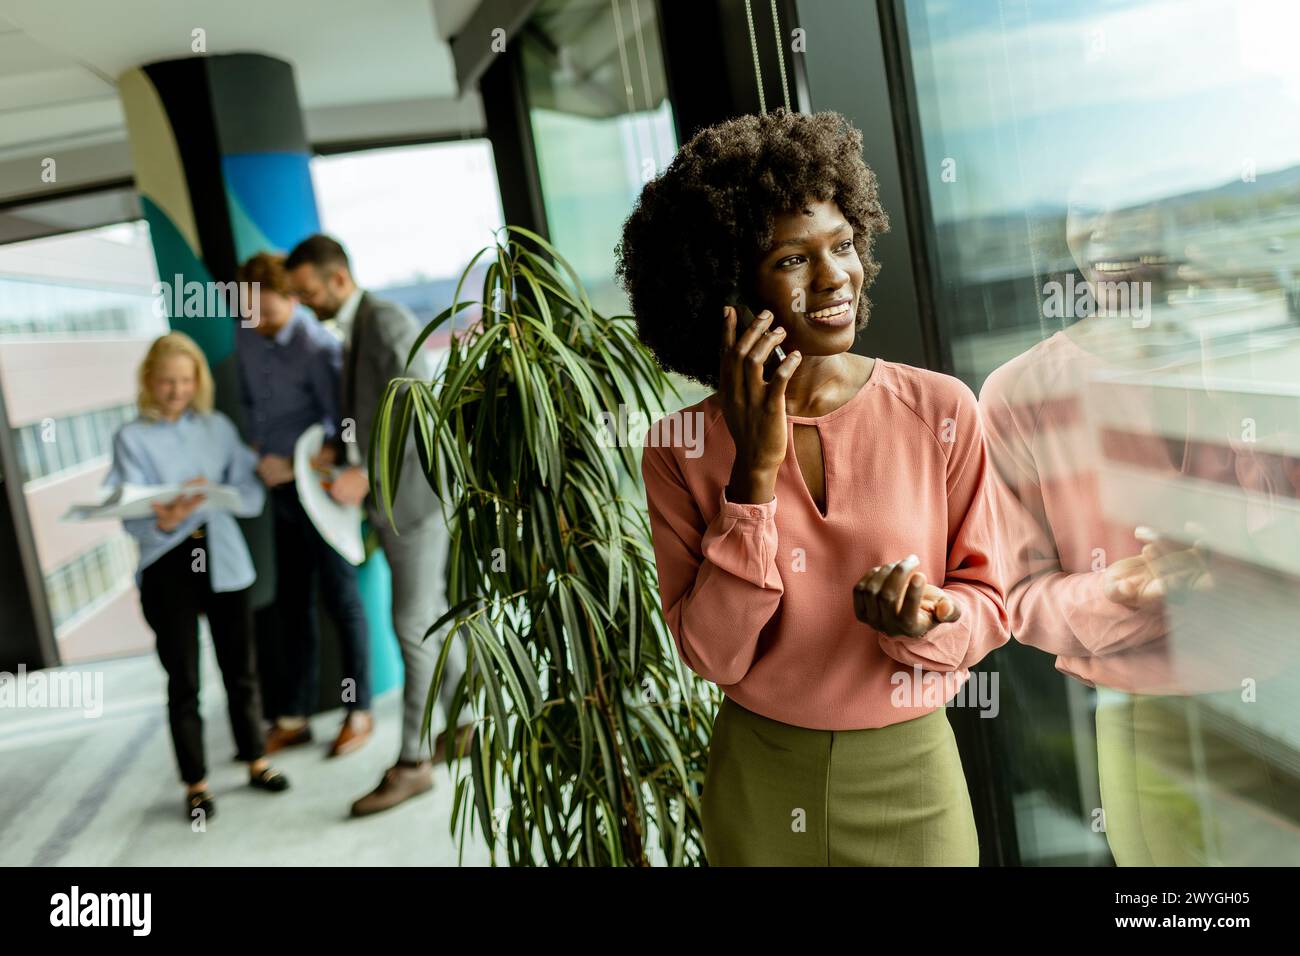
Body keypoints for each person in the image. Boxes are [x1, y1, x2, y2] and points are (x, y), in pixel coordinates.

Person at [616, 109, 1010, 865]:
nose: (835, 276)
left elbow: (992, 605)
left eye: (843, 244)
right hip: (762, 781)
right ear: (729, 284)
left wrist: (929, 619)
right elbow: (712, 657)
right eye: (793, 259)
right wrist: (752, 482)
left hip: (912, 778)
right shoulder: (680, 448)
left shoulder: (941, 411)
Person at [285, 234, 470, 817]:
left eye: (308, 290)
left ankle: (413, 762)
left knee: (412, 626)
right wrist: (343, 459)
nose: (304, 301)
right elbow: (374, 413)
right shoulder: (357, 324)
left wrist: (366, 474)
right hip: (400, 502)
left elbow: (419, 412)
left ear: (337, 277)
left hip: (414, 502)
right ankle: (465, 726)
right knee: (431, 618)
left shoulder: (383, 318)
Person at [105, 331, 290, 821]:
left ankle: (257, 759)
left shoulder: (217, 427)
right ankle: (196, 784)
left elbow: (249, 492)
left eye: (186, 381)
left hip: (222, 556)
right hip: (168, 565)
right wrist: (163, 517)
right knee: (184, 679)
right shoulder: (130, 437)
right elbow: (127, 510)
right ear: (149, 381)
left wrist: (215, 491)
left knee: (241, 669)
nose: (176, 391)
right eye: (167, 381)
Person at [235, 252, 373, 758]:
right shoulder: (245, 334)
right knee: (293, 602)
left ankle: (357, 711)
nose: (257, 322)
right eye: (249, 313)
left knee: (341, 599)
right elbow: (251, 404)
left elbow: (344, 428)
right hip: (277, 489)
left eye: (266, 313)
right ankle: (293, 717)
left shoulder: (319, 347)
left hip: (323, 490)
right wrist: (260, 451)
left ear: (291, 299)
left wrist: (299, 463)